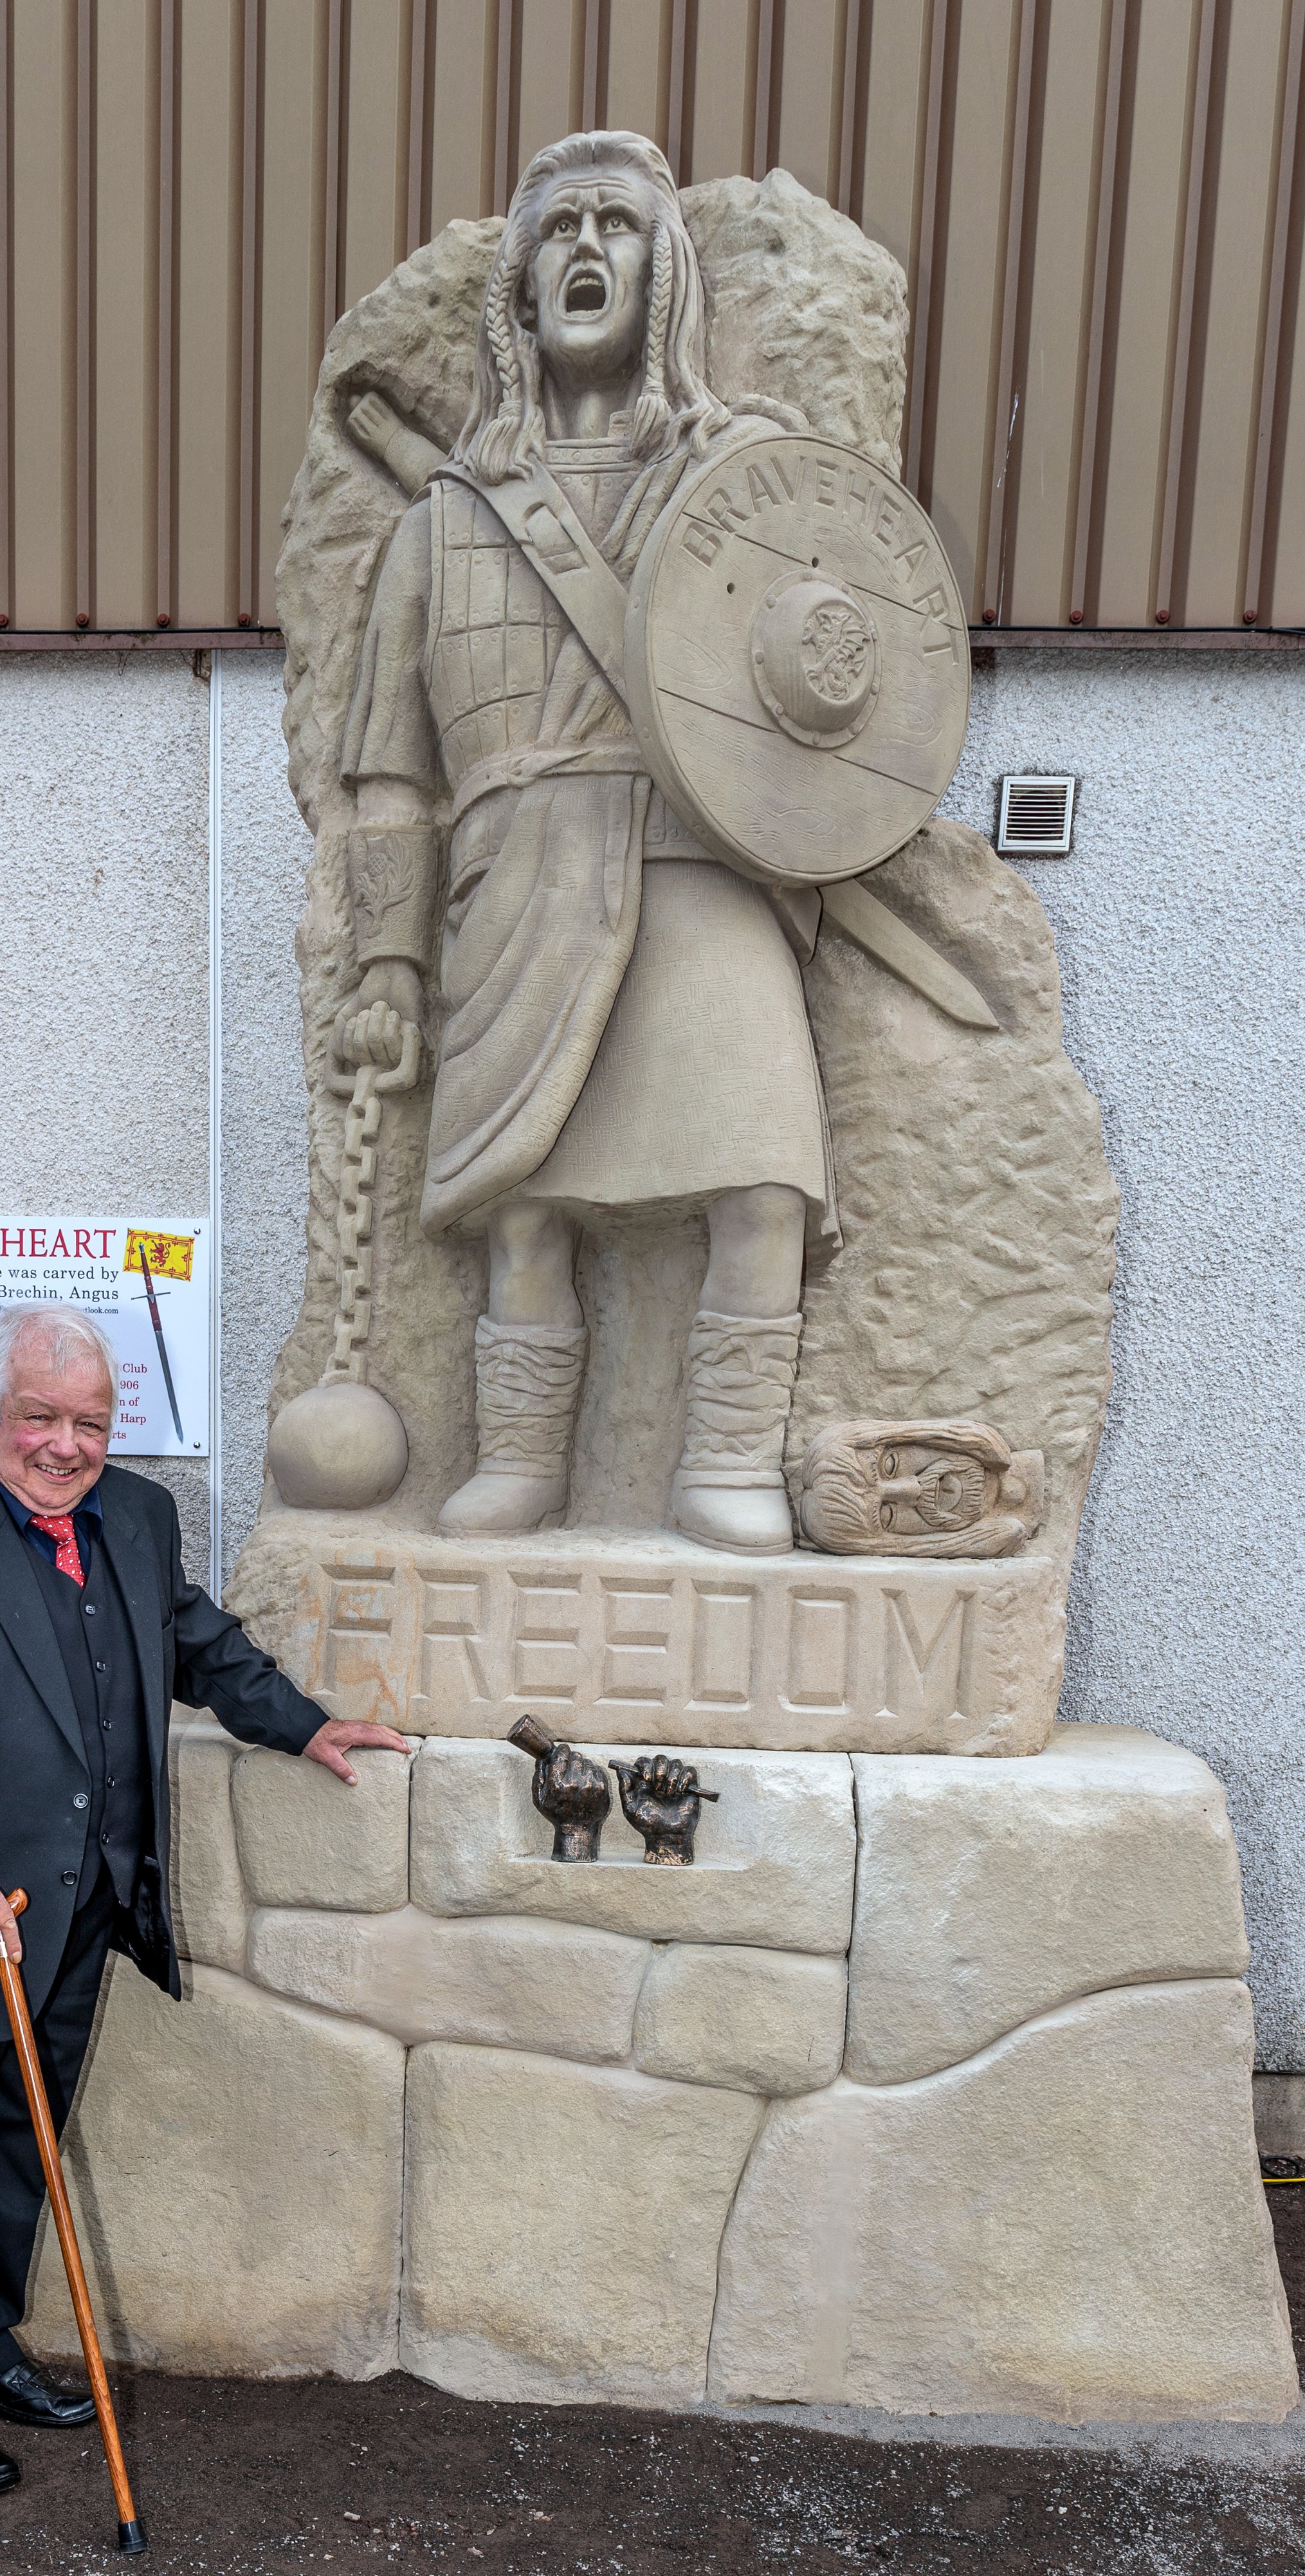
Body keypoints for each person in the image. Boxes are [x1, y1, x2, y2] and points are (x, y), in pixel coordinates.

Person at [0, 1302, 406, 2498]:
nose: (66, 1445)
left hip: (76, 1914)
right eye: (39, 1416)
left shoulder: (134, 1516)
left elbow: (191, 1639)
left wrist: (298, 1724)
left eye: (90, 1421)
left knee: (6, 2157)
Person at [338, 129, 834, 1554]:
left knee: (759, 1176)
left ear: (664, 273)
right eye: (557, 230)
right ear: (515, 288)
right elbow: (385, 771)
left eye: (616, 224)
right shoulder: (444, 519)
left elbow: (830, 693)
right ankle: (521, 1461)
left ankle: (726, 1458)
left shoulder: (744, 476)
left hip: (697, 856)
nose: (584, 252)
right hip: (520, 866)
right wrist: (382, 959)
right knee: (524, 1206)